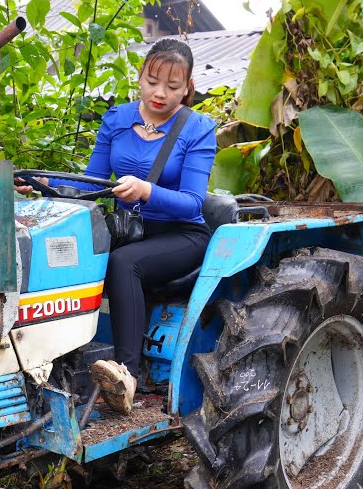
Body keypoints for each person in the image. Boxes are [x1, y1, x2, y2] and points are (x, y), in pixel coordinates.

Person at [19, 39, 217, 414]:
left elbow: (193, 201)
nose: (160, 93)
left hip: (181, 234)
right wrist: (43, 187)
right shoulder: (116, 119)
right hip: (129, 229)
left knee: (124, 263)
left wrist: (146, 191)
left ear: (188, 87)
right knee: (62, 251)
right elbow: (91, 183)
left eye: (173, 87)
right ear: (140, 77)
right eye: (153, 81)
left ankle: (127, 377)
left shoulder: (198, 129)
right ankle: (51, 369)